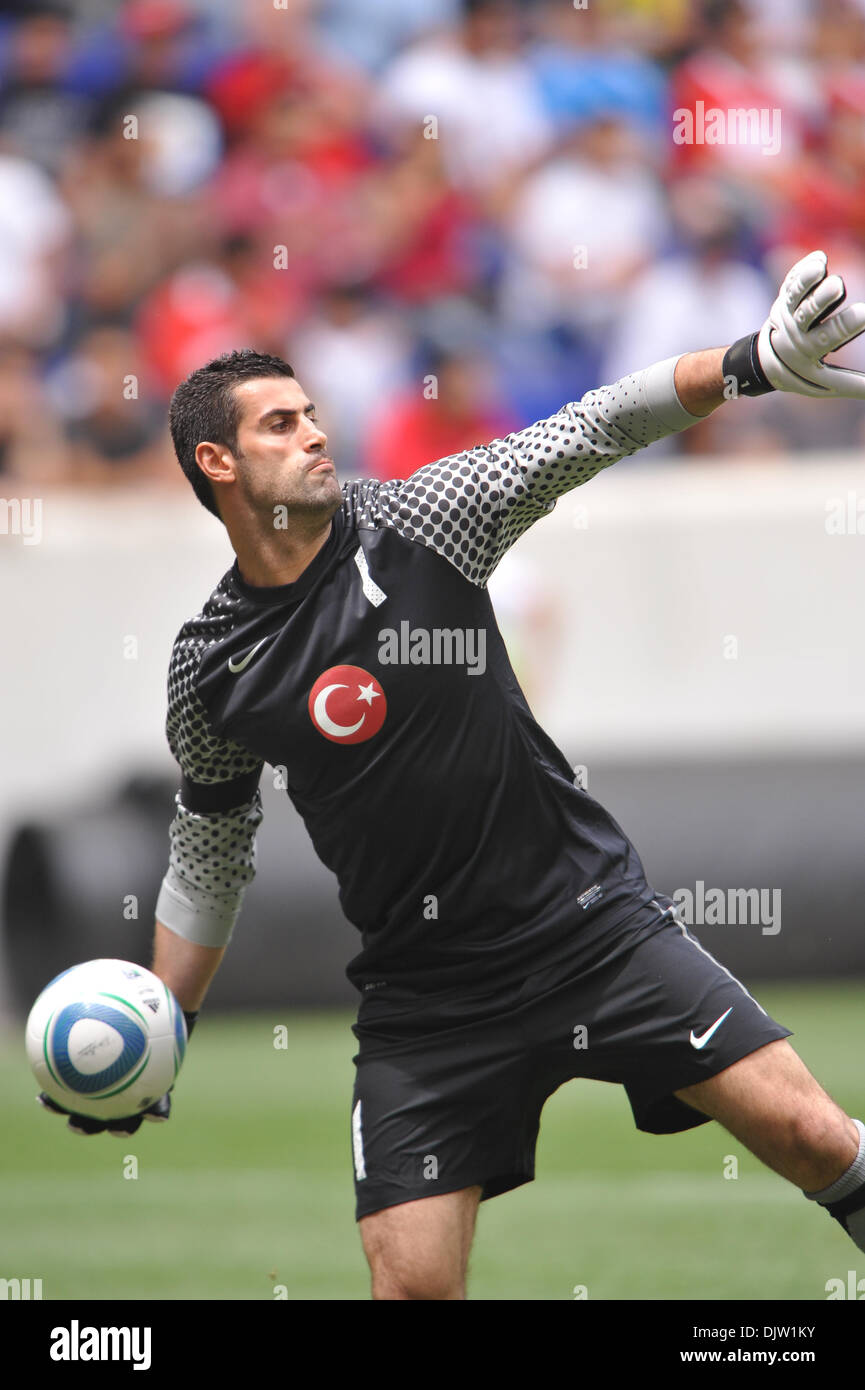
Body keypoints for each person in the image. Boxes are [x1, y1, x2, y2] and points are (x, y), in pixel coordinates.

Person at [40, 250, 865, 1300]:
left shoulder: (418, 522)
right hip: (427, 999)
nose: (315, 435)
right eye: (279, 425)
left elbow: (590, 427)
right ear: (216, 463)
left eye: (312, 414)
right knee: (413, 1288)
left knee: (807, 1132)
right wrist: (165, 1020)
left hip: (593, 929)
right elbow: (209, 853)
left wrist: (749, 362)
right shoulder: (210, 667)